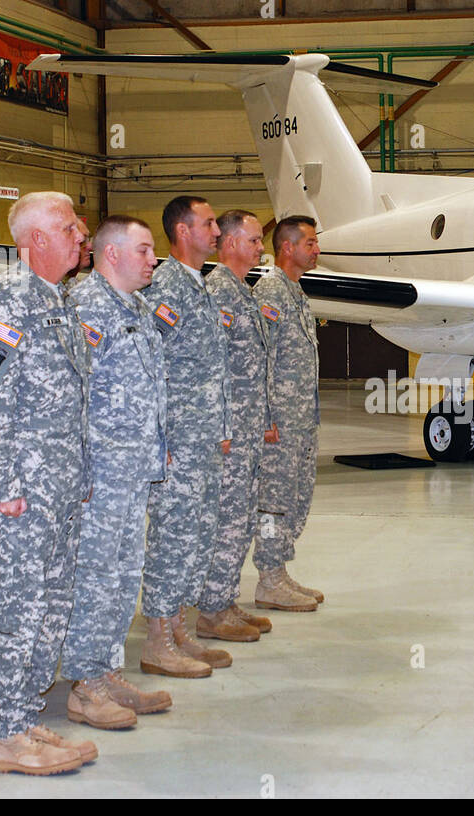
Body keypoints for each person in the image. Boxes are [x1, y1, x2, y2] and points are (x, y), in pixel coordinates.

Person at [0, 191, 95, 775]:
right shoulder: (5, 301)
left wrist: (82, 474)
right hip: (26, 492)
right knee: (20, 606)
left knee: (51, 603)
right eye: (68, 227)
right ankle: (3, 736)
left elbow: (72, 400)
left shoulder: (57, 301)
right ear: (35, 241)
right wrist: (3, 485)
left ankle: (23, 714)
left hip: (61, 488)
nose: (81, 233)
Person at [61, 215, 189, 731]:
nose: (152, 259)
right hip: (100, 473)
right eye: (142, 250)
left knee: (121, 575)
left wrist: (159, 448)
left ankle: (107, 670)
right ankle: (84, 686)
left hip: (133, 470)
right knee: (93, 576)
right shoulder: (86, 309)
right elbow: (73, 396)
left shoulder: (134, 306)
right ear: (110, 255)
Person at [199, 209, 312, 645]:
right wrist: (254, 418)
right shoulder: (234, 292)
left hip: (270, 420)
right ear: (229, 242)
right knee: (254, 510)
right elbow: (219, 365)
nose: (259, 246)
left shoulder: (248, 292)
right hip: (248, 424)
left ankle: (248, 587)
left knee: (272, 506)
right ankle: (257, 582)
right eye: (252, 240)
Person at [141, 196, 235, 668]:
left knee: (196, 536)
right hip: (176, 443)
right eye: (209, 223)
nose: (217, 231)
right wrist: (159, 440)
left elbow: (210, 371)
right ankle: (158, 640)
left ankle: (178, 625)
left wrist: (220, 428)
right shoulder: (165, 287)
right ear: (182, 232)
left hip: (202, 441)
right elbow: (148, 367)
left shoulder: (199, 287)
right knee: (172, 537)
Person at [253, 216, 324, 604]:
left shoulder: (297, 293)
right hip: (279, 423)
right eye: (309, 244)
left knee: (296, 497)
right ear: (287, 248)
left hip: (301, 421)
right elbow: (260, 357)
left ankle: (280, 569)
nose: (316, 250)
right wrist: (267, 418)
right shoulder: (270, 293)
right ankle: (268, 577)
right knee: (272, 503)